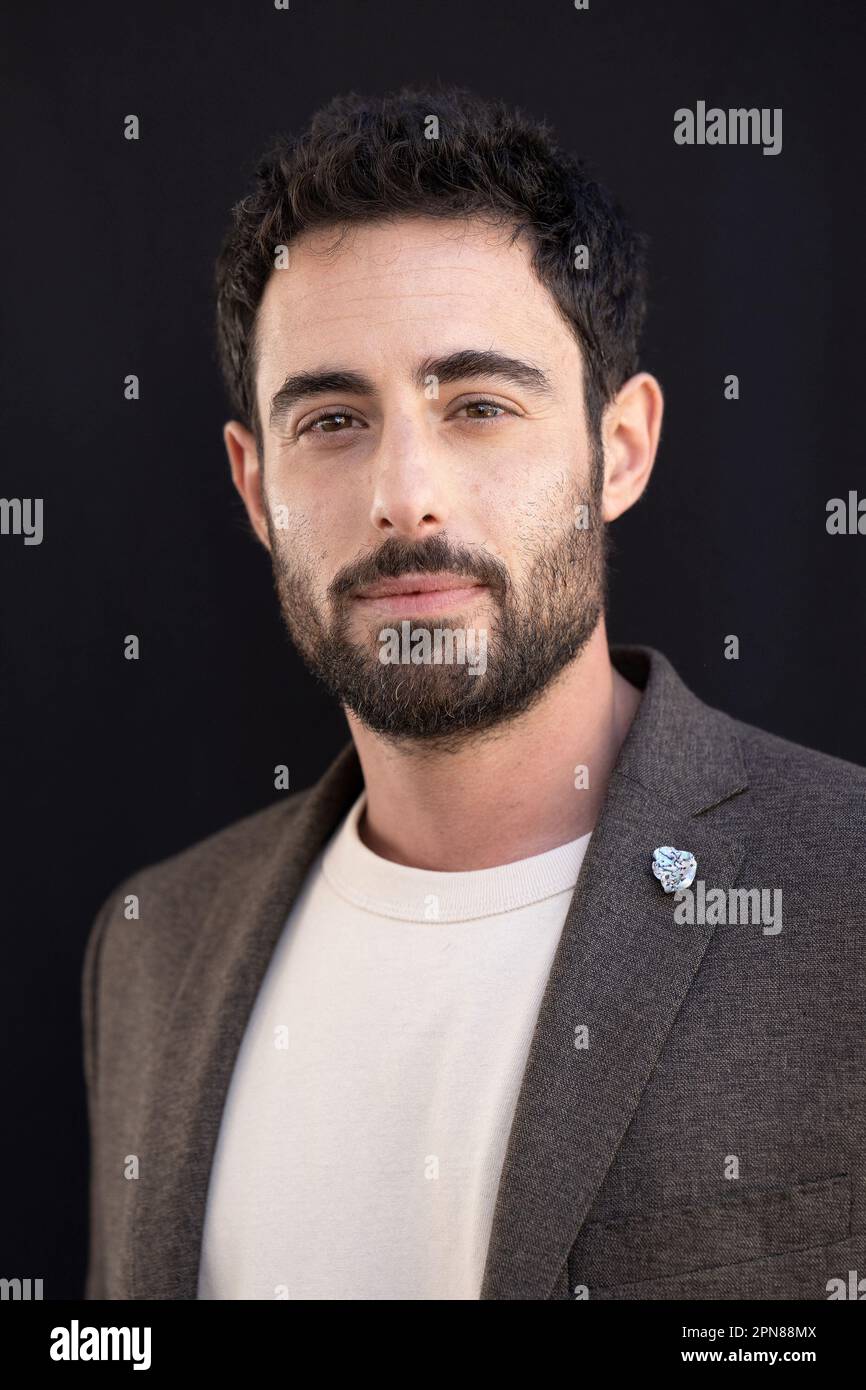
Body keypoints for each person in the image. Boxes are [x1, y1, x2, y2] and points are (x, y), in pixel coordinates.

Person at [82, 85, 866, 1301]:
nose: (406, 494)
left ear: (619, 450)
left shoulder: (844, 893)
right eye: (332, 419)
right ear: (254, 489)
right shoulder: (151, 946)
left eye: (479, 406)